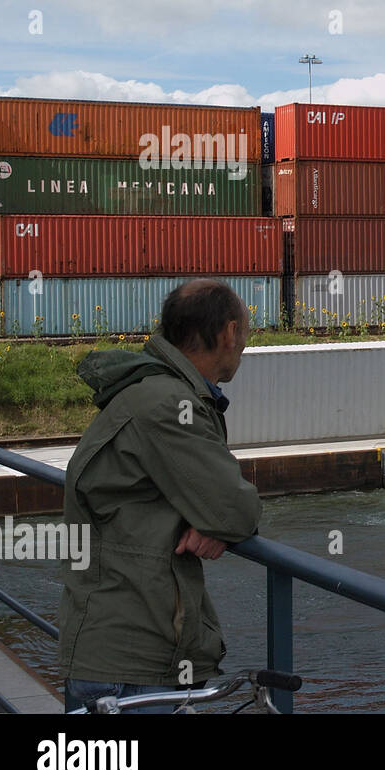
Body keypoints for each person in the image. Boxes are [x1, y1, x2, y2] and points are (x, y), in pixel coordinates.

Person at [58, 279, 263, 713]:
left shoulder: (149, 389)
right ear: (229, 333)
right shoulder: (169, 403)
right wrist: (218, 523)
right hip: (131, 669)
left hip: (109, 653)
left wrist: (209, 522)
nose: (244, 342)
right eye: (245, 331)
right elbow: (237, 509)